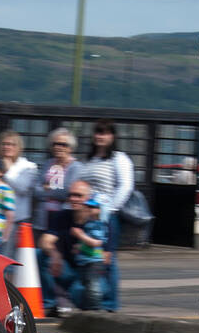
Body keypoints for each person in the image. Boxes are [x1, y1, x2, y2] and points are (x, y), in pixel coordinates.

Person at [82, 119, 135, 311]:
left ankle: (110, 303)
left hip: (107, 218)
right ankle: (93, 300)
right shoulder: (90, 159)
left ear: (112, 136)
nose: (100, 136)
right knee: (90, 258)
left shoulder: (119, 159)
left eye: (104, 133)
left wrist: (108, 210)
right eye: (97, 132)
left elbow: (125, 187)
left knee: (107, 260)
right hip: (88, 218)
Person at [39, 181, 114, 315]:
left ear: (89, 198)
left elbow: (106, 258)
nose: (73, 199)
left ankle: (107, 305)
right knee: (39, 254)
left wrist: (83, 242)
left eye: (79, 195)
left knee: (88, 295)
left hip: (89, 272)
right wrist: (55, 254)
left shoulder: (100, 222)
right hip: (67, 269)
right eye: (71, 195)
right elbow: (45, 241)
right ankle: (50, 304)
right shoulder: (61, 216)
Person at [35, 128, 84, 309]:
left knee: (59, 260)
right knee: (44, 257)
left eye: (63, 144)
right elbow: (36, 190)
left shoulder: (76, 167)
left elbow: (69, 193)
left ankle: (64, 298)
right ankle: (49, 299)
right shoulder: (48, 164)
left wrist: (49, 190)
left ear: (71, 147)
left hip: (63, 218)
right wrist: (50, 192)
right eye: (55, 143)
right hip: (44, 218)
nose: (59, 147)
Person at [0, 130, 38, 258]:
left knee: (9, 260)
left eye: (11, 144)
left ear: (19, 148)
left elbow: (23, 187)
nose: (7, 147)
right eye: (4, 144)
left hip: (17, 221)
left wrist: (8, 170)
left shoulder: (29, 166)